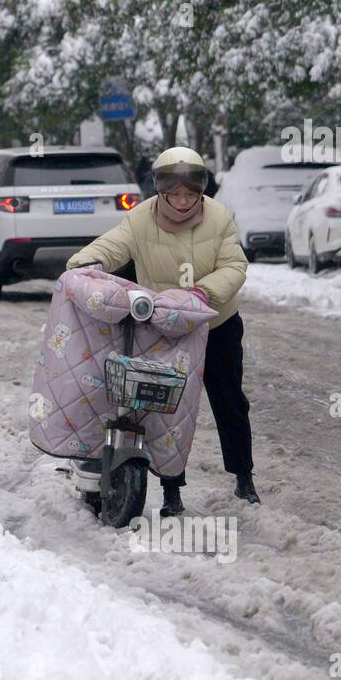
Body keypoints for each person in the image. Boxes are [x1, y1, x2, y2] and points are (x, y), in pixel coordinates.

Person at [66, 145, 257, 515]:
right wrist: (85, 262)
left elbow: (234, 265)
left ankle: (243, 476)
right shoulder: (140, 219)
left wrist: (203, 293)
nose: (183, 201)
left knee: (229, 401)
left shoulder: (219, 218)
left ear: (201, 190)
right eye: (175, 193)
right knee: (164, 407)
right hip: (165, 327)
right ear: (161, 190)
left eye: (191, 193)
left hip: (215, 322)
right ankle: (172, 490)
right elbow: (113, 246)